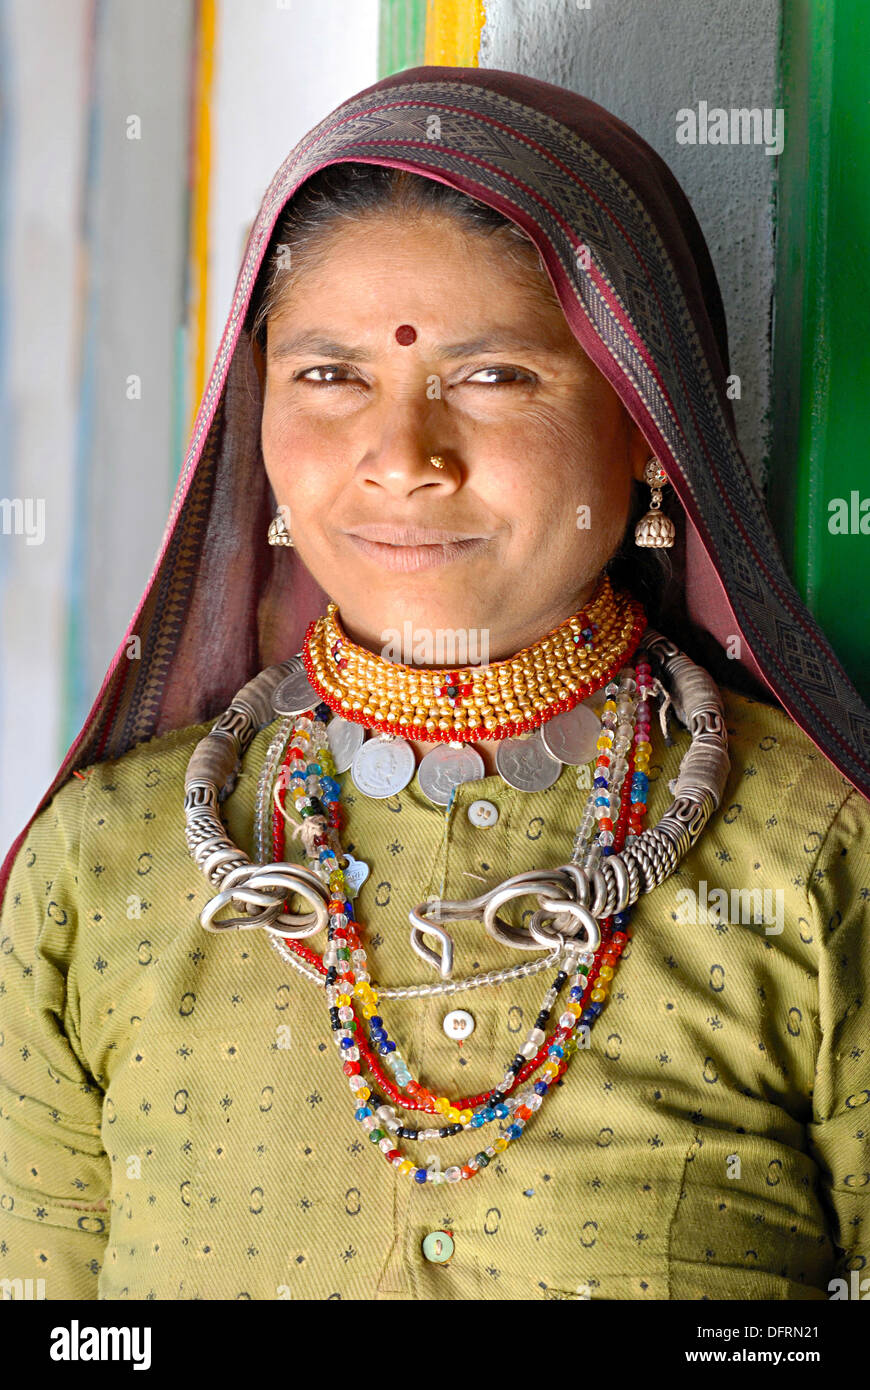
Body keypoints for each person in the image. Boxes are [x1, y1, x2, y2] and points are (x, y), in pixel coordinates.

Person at [1, 65, 867, 1303]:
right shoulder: (99, 875)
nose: (403, 460)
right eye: (328, 375)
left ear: (645, 423)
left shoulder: (815, 862)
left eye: (493, 376)